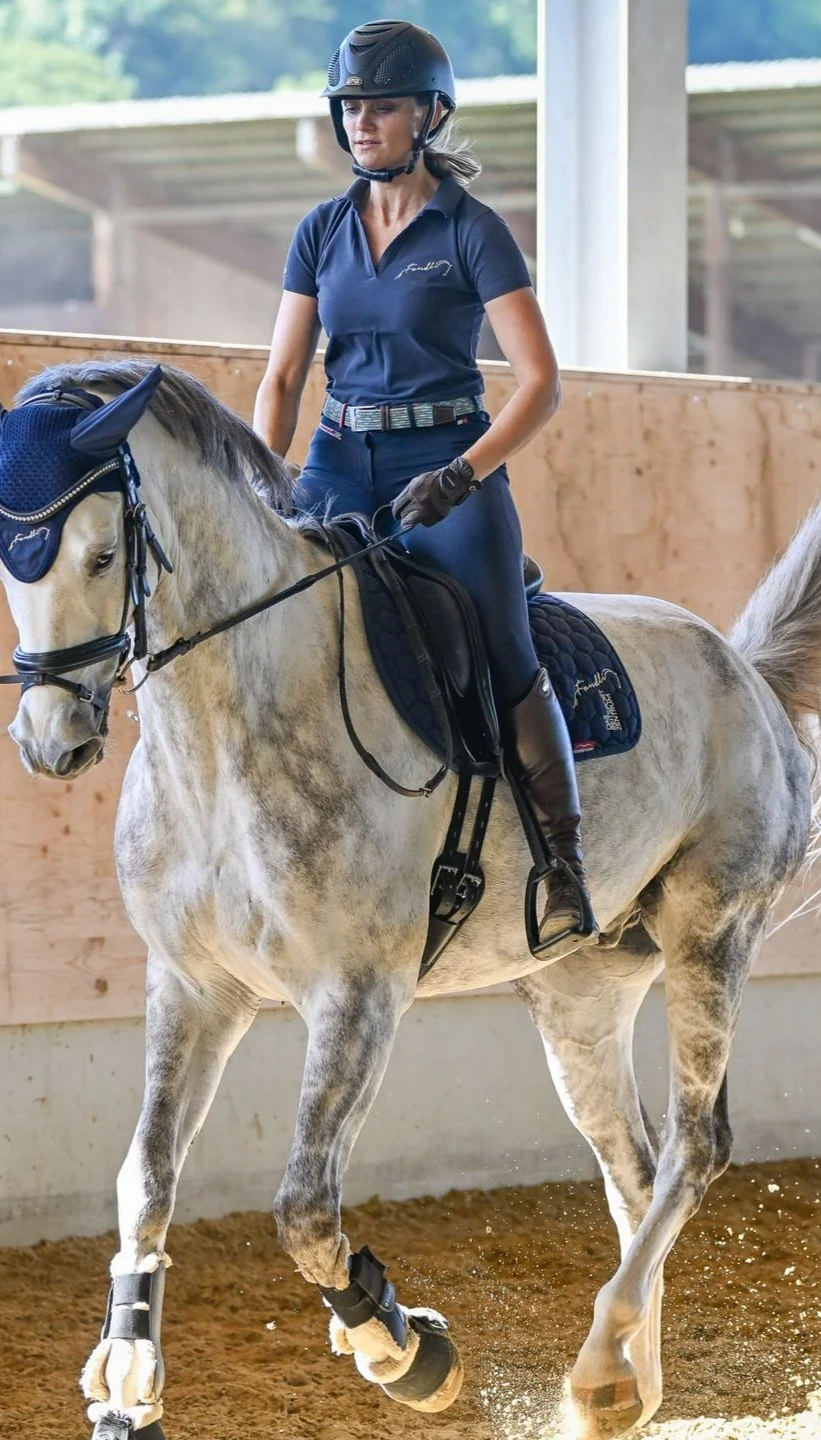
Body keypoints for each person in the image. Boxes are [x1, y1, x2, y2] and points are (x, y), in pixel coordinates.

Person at [253, 18, 594, 947]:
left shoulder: (472, 232)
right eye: (351, 108)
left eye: (383, 106)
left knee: (502, 641)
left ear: (429, 114)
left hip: (444, 471)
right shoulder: (321, 231)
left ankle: (563, 864)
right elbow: (283, 378)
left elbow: (541, 384)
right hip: (335, 460)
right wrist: (262, 479)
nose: (363, 123)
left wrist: (462, 476)